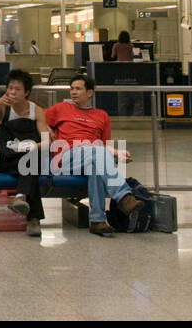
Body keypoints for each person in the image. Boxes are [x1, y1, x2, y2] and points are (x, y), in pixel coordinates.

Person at [46, 74, 143, 238]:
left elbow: (104, 145)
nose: (73, 92)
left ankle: (97, 221)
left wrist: (116, 152)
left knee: (95, 166)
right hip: (66, 157)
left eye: (78, 89)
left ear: (89, 93)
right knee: (97, 153)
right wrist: (47, 128)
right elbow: (36, 117)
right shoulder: (61, 108)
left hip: (92, 156)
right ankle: (123, 196)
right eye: (72, 89)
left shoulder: (102, 116)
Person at [0, 68, 48, 237]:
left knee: (31, 160)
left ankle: (21, 197)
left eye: (17, 89)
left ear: (27, 92)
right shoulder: (3, 108)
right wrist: (1, 101)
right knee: (32, 166)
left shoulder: (37, 111)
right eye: (10, 88)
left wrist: (34, 146)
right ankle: (33, 217)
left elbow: (47, 140)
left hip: (27, 157)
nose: (12, 92)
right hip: (4, 158)